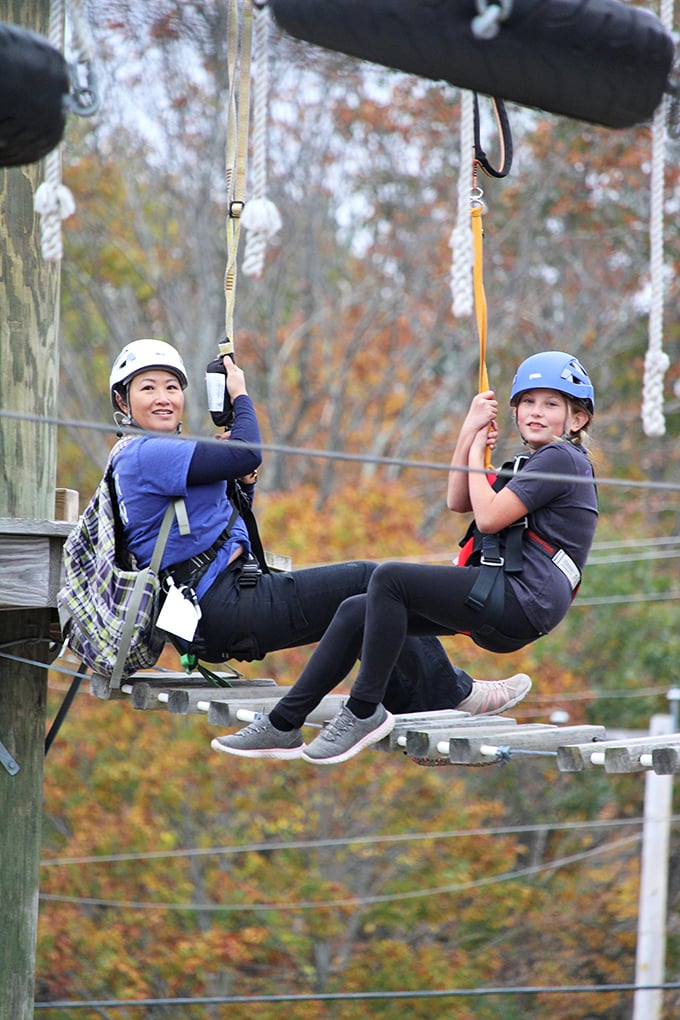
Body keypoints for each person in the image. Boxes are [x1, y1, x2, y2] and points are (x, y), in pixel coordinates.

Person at [108, 338, 527, 740]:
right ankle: (452, 693)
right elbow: (247, 451)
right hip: (223, 607)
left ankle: (413, 701)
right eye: (148, 388)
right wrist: (241, 396)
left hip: (218, 608)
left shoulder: (158, 454)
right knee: (376, 580)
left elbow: (224, 513)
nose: (163, 397)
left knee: (365, 602)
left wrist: (244, 482)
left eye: (170, 387)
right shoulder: (145, 452)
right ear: (124, 403)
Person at [213, 350, 597, 765]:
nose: (536, 412)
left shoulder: (563, 459)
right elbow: (457, 500)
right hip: (509, 601)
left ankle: (363, 710)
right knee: (357, 610)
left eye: (551, 404)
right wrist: (469, 431)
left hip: (520, 600)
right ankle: (284, 722)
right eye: (528, 402)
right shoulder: (531, 464)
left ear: (576, 420)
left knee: (389, 579)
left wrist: (474, 451)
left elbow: (486, 519)